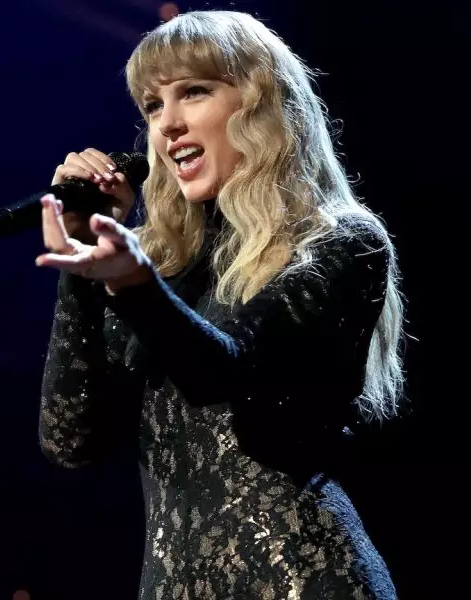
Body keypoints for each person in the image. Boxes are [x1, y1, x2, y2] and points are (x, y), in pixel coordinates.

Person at [35, 10, 404, 600]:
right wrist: (82, 261)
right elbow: (69, 438)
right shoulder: (167, 270)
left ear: (259, 104)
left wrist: (133, 282)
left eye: (194, 92)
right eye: (153, 106)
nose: (168, 125)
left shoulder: (339, 241)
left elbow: (224, 369)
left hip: (299, 579)